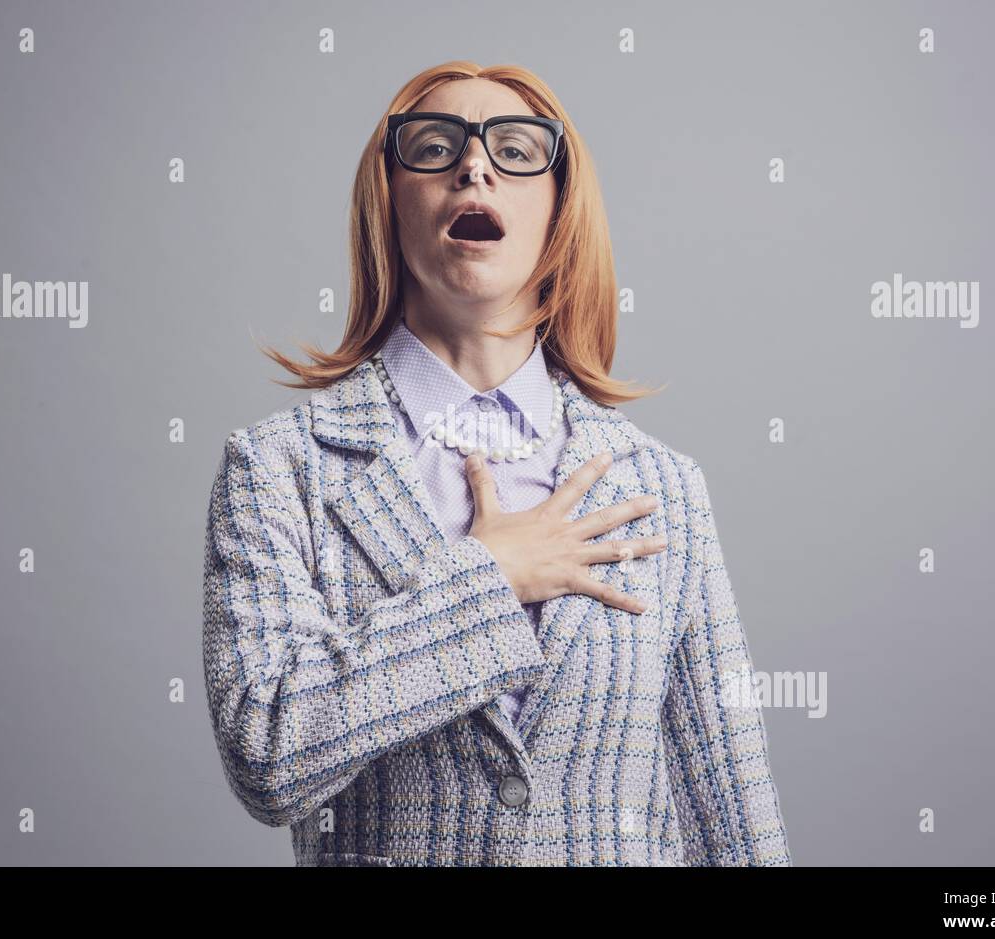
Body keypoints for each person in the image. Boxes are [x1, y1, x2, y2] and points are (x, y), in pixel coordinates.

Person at [201, 60, 791, 866]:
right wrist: (489, 579)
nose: (473, 165)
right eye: (435, 148)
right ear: (390, 200)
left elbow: (735, 812)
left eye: (514, 150)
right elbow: (267, 754)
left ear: (558, 207)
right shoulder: (279, 469)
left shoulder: (660, 487)